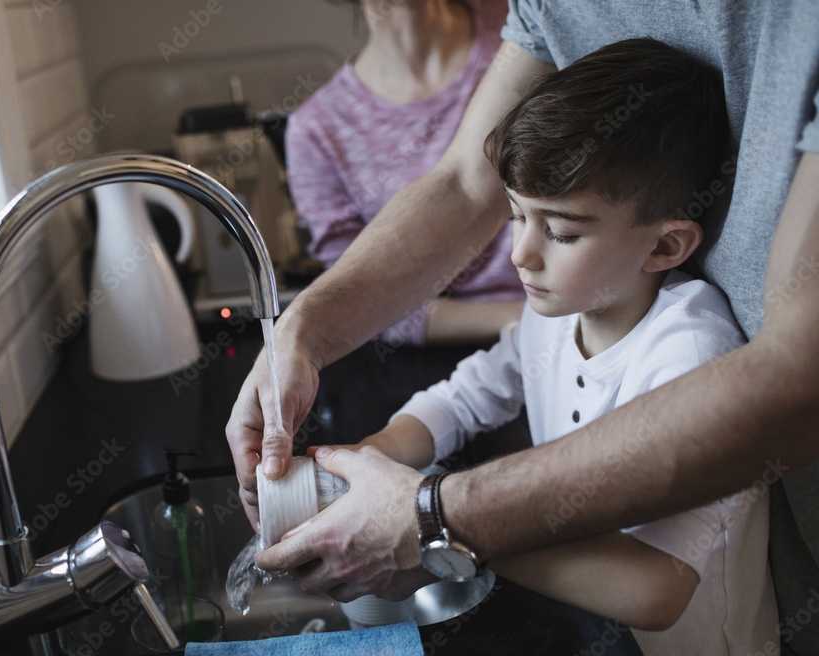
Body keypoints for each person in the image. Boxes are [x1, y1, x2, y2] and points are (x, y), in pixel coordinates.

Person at [227, 2, 819, 654]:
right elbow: (467, 394)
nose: (520, 256)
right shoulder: (556, 314)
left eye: (561, 231)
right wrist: (361, 470)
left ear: (667, 246)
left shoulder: (692, 352)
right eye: (515, 216)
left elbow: (657, 590)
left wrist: (442, 533)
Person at [286, 0, 524, 346]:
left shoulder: (521, 27)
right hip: (464, 359)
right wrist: (527, 321)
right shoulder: (316, 129)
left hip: (594, 316)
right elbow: (362, 304)